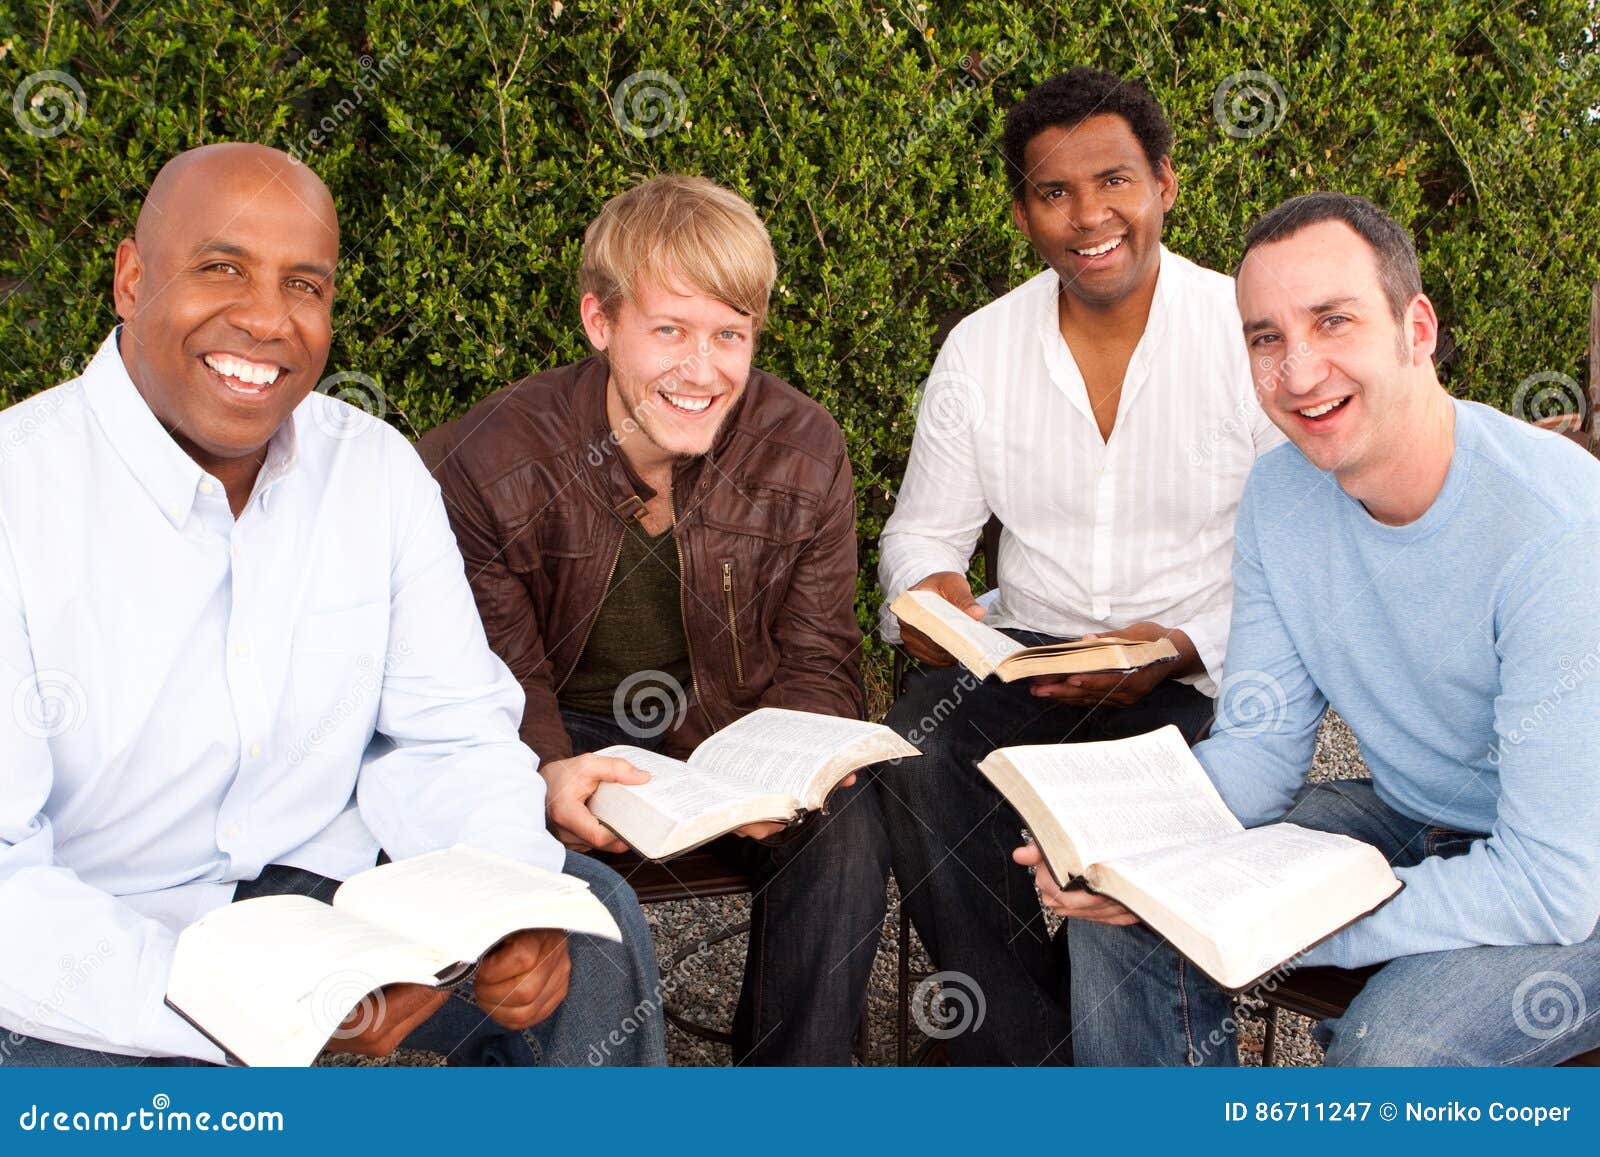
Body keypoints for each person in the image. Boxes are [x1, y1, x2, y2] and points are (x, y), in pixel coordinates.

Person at [0, 143, 663, 1067]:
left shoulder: (374, 469)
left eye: (304, 284)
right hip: (98, 938)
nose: (268, 317)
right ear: (131, 277)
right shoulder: (18, 493)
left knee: (591, 928)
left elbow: (452, 732)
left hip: (313, 891)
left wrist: (506, 898)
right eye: (222, 267)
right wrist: (237, 1003)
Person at [1037, 191, 1600, 1066]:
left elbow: (1553, 886)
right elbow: (1261, 753)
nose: (1298, 372)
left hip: (1576, 873)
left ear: (1417, 330)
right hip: (1420, 815)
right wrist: (1120, 848)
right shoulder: (1279, 496)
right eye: (1267, 337)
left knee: (1389, 1055)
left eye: (1332, 322)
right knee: (1131, 921)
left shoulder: (1557, 530)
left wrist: (1287, 922)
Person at [418, 174, 889, 1065]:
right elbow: (494, 681)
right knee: (575, 890)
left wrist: (786, 774)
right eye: (669, 329)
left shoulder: (805, 444)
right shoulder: (491, 462)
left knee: (847, 827)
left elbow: (821, 655)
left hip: (727, 729)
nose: (700, 369)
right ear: (601, 323)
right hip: (566, 731)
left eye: (729, 335)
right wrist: (550, 770)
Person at [874, 66, 1285, 1064]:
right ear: (1022, 211)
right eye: (1054, 191)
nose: (1088, 214)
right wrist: (928, 601)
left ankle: (1002, 1052)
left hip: (1195, 678)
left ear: (1164, 187)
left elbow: (1304, 565)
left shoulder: (1247, 337)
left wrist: (1180, 642)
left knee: (1150, 823)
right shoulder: (980, 350)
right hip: (1026, 658)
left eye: (1114, 181)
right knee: (910, 755)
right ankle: (1044, 1051)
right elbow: (920, 535)